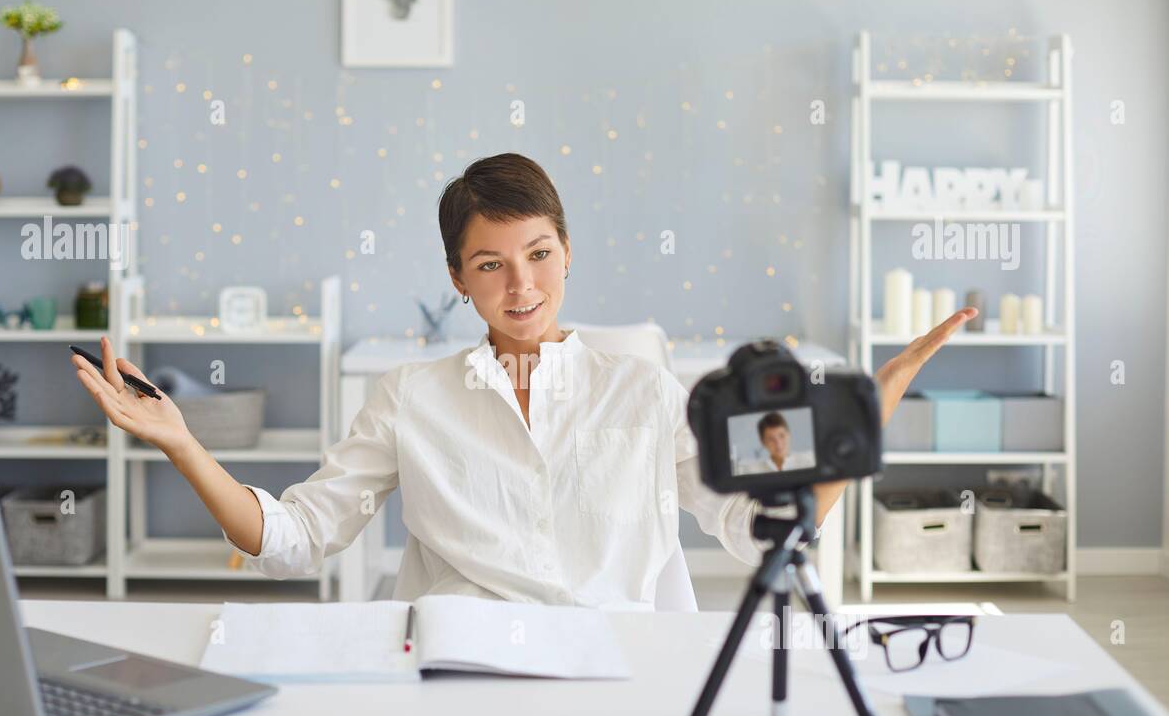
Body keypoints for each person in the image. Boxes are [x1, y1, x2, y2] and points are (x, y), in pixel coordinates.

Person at [70, 152, 975, 608]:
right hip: (453, 669)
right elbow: (299, 536)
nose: (522, 286)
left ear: (568, 254)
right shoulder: (410, 398)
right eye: (490, 264)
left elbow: (758, 533)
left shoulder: (645, 391)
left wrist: (865, 422)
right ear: (458, 278)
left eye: (538, 255)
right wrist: (183, 444)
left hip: (614, 677)